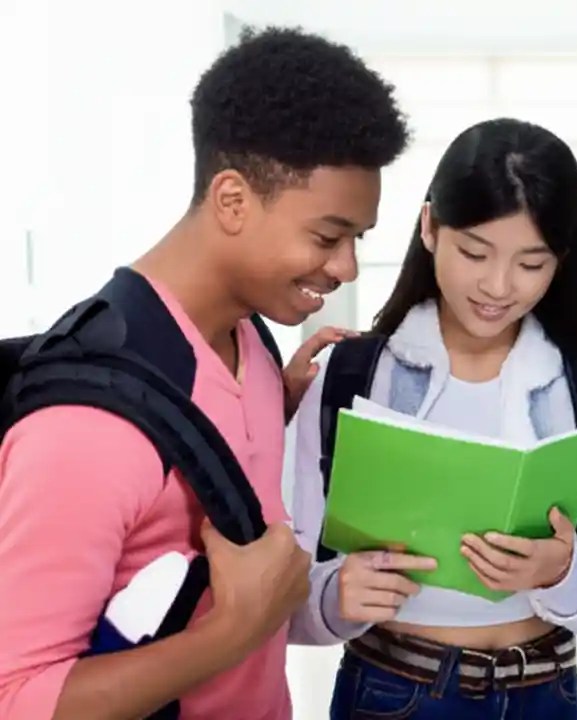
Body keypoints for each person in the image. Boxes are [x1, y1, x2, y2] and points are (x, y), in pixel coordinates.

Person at [0, 26, 409, 720]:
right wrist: (234, 632)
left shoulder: (250, 342)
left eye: (355, 240)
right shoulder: (85, 430)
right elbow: (18, 700)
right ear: (231, 200)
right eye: (326, 236)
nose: (345, 269)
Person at [288, 117, 577, 719]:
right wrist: (336, 597)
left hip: (547, 692)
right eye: (474, 252)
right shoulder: (350, 377)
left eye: (531, 264)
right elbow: (280, 574)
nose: (497, 286)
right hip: (393, 691)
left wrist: (565, 575)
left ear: (562, 260)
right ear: (430, 227)